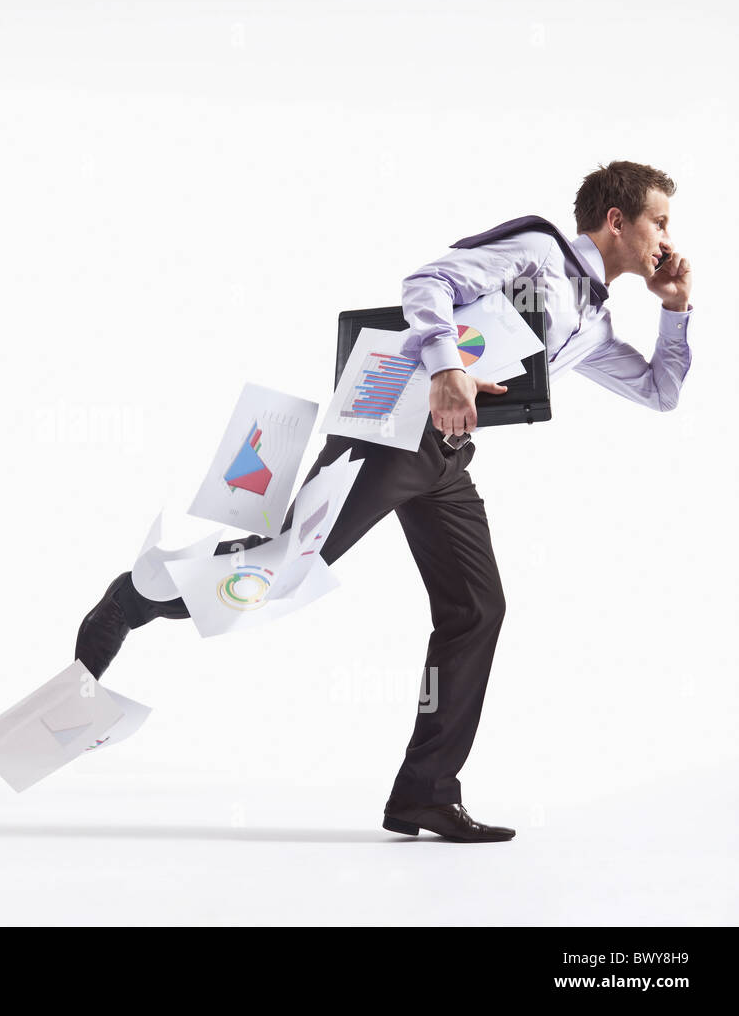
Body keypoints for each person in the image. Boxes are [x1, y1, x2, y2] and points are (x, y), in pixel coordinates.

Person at [72, 160, 694, 842]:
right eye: (658, 220)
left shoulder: (594, 326)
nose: (667, 236)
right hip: (393, 421)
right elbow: (426, 283)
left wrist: (674, 310)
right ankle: (138, 595)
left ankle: (425, 794)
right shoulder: (540, 252)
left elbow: (660, 391)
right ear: (615, 221)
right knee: (283, 568)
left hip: (445, 458)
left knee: (477, 609)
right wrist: (449, 366)